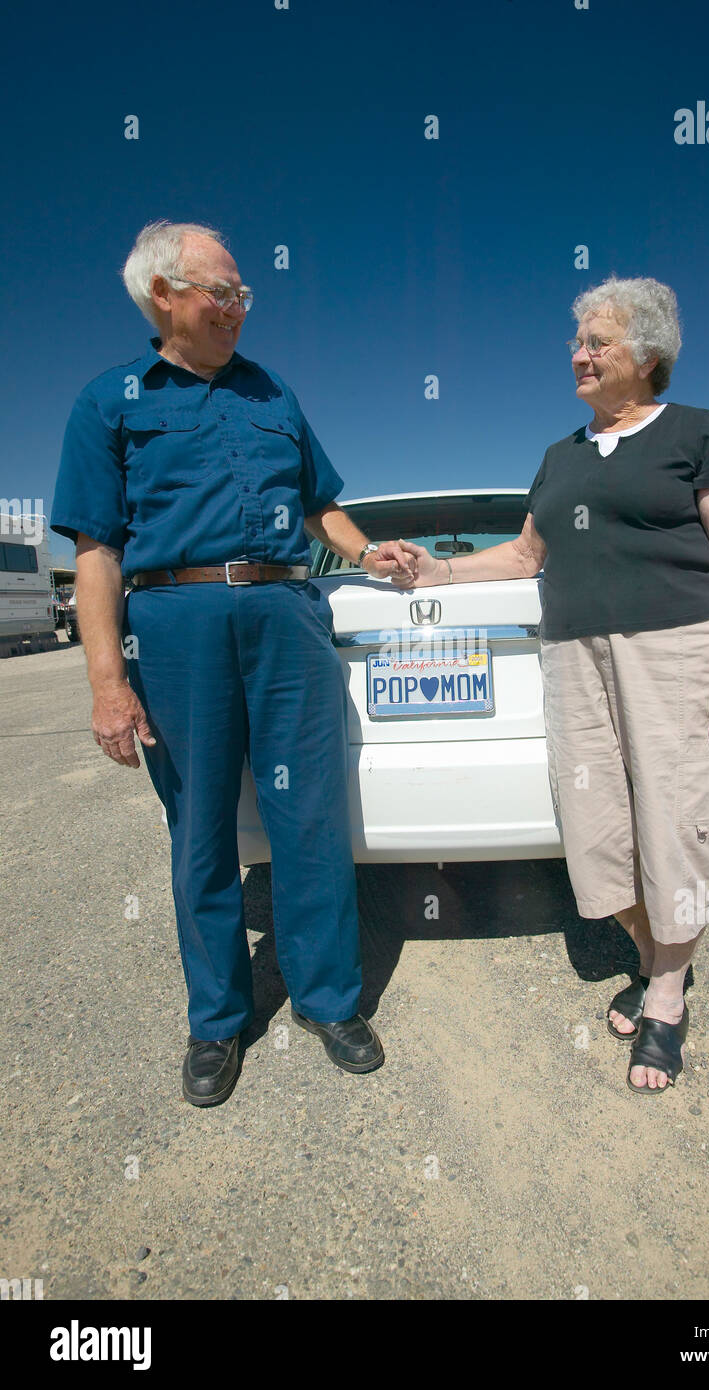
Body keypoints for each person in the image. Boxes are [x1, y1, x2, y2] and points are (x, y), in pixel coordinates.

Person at [50, 220, 418, 1106]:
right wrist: (106, 682)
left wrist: (365, 552)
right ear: (162, 296)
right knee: (202, 829)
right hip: (172, 622)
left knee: (309, 818)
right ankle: (216, 1020)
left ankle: (329, 1000)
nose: (237, 308)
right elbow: (97, 555)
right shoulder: (112, 400)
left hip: (287, 615)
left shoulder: (271, 392)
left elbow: (319, 505)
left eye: (243, 293)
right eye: (221, 292)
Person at [393, 276, 709, 1095]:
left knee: (676, 814)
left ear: (648, 355)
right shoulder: (559, 456)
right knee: (593, 827)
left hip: (673, 649)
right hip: (572, 655)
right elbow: (526, 556)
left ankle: (667, 992)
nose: (579, 354)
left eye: (598, 341)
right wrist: (437, 570)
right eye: (577, 342)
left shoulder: (695, 432)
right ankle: (654, 954)